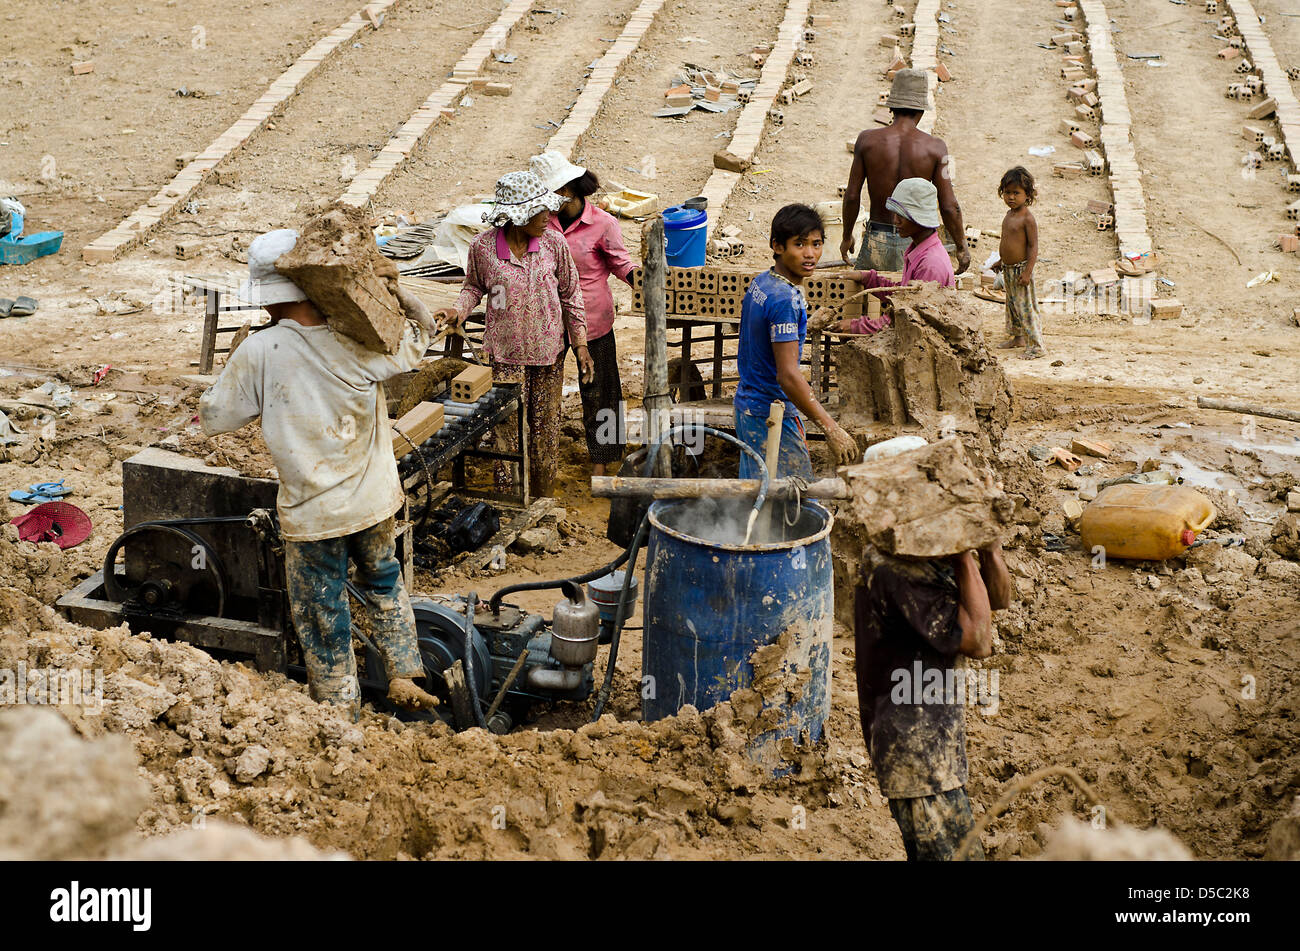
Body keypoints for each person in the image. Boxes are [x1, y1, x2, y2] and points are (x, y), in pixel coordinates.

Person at [199, 228, 439, 722]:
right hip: (374, 501)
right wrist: (394, 291)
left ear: (269, 298)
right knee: (384, 581)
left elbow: (216, 418)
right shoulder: (359, 340)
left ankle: (339, 717)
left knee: (323, 615)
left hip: (313, 517)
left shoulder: (260, 351)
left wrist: (242, 368)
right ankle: (404, 667)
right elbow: (421, 338)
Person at [855, 524, 1012, 861]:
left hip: (935, 743)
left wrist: (988, 549)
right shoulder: (894, 568)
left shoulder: (929, 554)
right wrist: (961, 553)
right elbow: (978, 639)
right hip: (915, 756)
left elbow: (999, 599)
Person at [435, 171, 594, 498]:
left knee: (545, 430)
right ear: (518, 215)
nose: (548, 217)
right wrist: (457, 311)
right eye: (540, 212)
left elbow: (570, 294)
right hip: (505, 358)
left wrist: (580, 344)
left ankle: (543, 498)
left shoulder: (554, 243)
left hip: (548, 355)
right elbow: (474, 287)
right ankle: (508, 501)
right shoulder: (483, 248)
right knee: (506, 432)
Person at [530, 150, 635, 477]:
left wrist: (644, 284)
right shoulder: (538, 224)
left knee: (599, 390)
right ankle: (541, 455)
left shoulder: (603, 224)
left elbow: (621, 263)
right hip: (549, 320)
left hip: (593, 321)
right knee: (542, 387)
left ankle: (603, 459)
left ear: (566, 192)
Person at [734, 204, 858, 479]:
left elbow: (761, 335)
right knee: (795, 505)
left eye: (816, 244)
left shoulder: (763, 282)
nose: (810, 254)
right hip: (771, 416)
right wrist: (830, 427)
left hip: (748, 407)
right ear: (777, 246)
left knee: (758, 498)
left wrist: (804, 327)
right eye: (799, 244)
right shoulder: (785, 299)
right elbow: (788, 375)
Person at [840, 68, 970, 276]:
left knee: (870, 301)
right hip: (914, 240)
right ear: (921, 111)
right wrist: (961, 246)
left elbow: (852, 196)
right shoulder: (936, 148)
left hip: (877, 236)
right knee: (911, 302)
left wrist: (847, 236)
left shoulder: (866, 140)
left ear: (891, 108)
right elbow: (949, 206)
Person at [831, 178, 955, 335]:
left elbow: (907, 320)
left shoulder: (930, 264)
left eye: (901, 215)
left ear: (919, 217)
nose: (895, 221)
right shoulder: (919, 249)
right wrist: (868, 278)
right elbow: (902, 295)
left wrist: (856, 326)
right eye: (895, 214)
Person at [993, 166, 1045, 360]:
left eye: (1016, 193)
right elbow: (1007, 240)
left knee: (1026, 308)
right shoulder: (1009, 215)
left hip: (1021, 270)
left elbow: (1033, 247)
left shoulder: (1027, 218)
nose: (1011, 197)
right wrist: (1001, 260)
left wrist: (1028, 271)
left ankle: (1036, 345)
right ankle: (1018, 337)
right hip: (1008, 269)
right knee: (1013, 306)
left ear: (1027, 195)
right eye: (1007, 192)